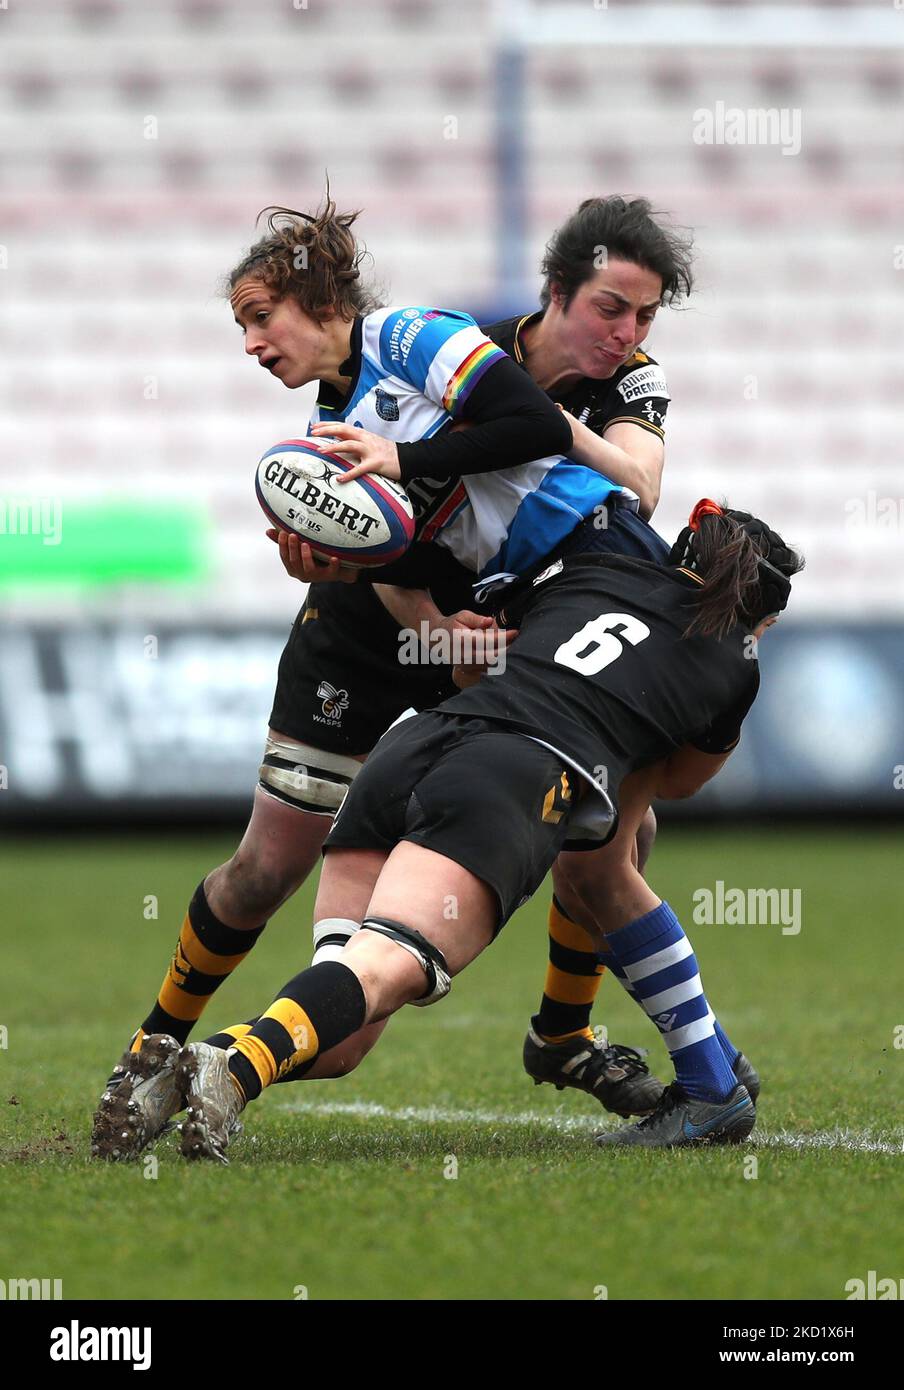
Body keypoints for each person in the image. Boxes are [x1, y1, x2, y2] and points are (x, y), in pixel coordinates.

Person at [91, 194, 693, 1159]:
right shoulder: (365, 401)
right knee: (263, 871)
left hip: (490, 618)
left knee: (617, 819)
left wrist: (415, 481)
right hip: (372, 633)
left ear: (310, 297)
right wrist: (346, 566)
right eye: (611, 310)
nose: (628, 334)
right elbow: (393, 545)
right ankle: (153, 1042)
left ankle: (564, 1031)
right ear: (553, 297)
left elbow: (621, 472)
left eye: (259, 319)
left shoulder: (432, 343)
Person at [158, 503, 803, 1161]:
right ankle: (231, 1072)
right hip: (507, 773)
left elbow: (475, 662)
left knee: (346, 1020)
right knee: (383, 968)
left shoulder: (599, 563)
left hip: (416, 742)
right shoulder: (735, 660)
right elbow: (678, 782)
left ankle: (171, 1067)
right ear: (762, 619)